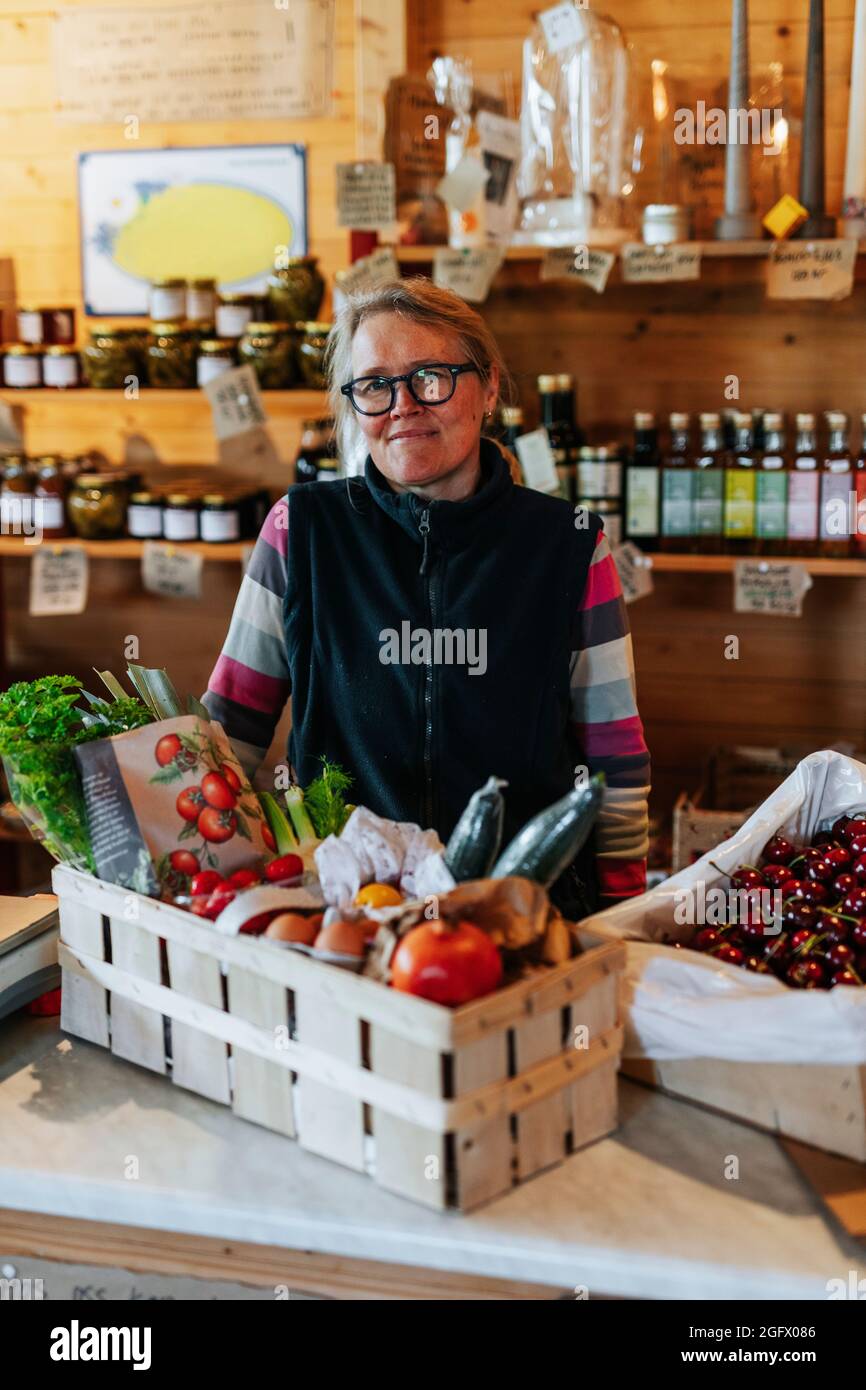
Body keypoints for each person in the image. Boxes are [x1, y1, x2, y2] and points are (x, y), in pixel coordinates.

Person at [203, 278, 650, 913]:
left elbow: (616, 762)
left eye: (431, 376)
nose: (403, 405)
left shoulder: (569, 544)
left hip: (523, 912)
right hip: (353, 912)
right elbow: (229, 731)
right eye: (375, 385)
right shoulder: (300, 531)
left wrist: (621, 917)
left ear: (488, 386)